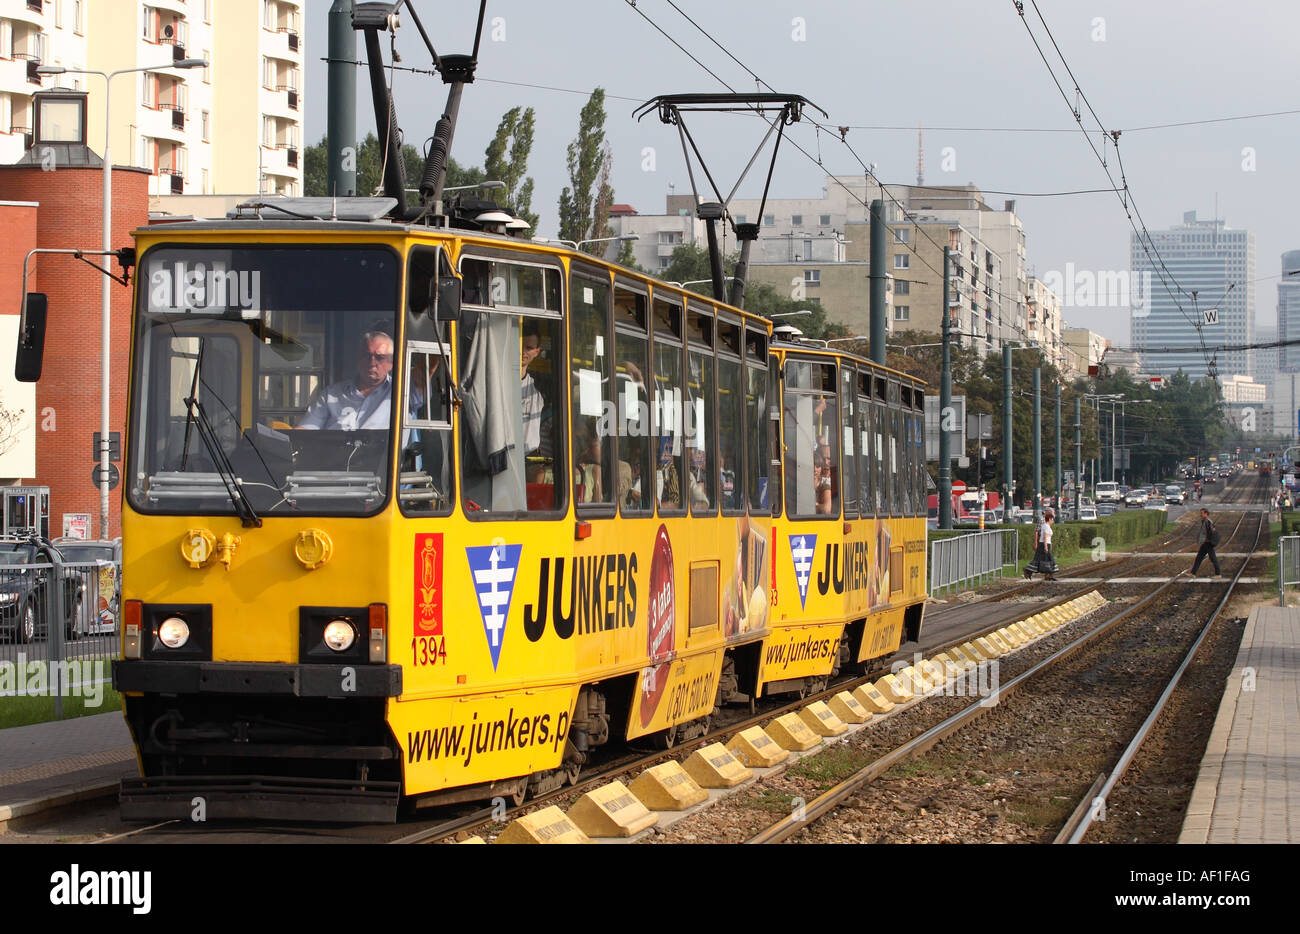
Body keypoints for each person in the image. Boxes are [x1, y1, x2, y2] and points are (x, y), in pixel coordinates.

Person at [298, 331, 396, 430]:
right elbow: (307, 427)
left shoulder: (402, 393)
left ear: (392, 362)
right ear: (358, 358)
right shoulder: (332, 393)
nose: (372, 362)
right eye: (366, 355)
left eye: (380, 357)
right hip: (334, 445)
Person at [520, 328, 543, 455]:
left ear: (537, 352)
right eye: (520, 345)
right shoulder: (498, 380)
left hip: (530, 459)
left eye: (528, 348)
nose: (523, 351)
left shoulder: (540, 385)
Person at [1024, 508, 1058, 580]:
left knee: (1044, 560)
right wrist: (1036, 542)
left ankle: (1048, 575)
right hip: (1042, 543)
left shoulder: (1047, 523)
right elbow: (1037, 532)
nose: (1053, 517)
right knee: (1041, 559)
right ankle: (1028, 571)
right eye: (1052, 514)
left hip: (1044, 543)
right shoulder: (1043, 521)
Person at [1191, 507, 1222, 576]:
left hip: (1208, 543)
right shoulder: (1205, 521)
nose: (1200, 515)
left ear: (1206, 514)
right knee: (1199, 557)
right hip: (1206, 543)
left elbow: (1212, 531)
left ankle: (1218, 574)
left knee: (1212, 558)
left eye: (1202, 513)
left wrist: (1208, 539)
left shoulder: (1208, 521)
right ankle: (1193, 573)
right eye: (1200, 513)